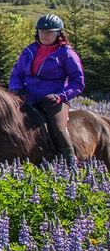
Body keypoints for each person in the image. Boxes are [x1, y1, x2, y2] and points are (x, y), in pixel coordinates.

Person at [8, 14, 85, 163]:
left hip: (54, 100)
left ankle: (70, 161)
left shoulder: (67, 54)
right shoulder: (29, 51)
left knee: (58, 128)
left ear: (58, 33)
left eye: (49, 32)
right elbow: (16, 73)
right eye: (41, 31)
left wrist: (61, 96)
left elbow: (78, 82)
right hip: (27, 98)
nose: (44, 34)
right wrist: (16, 88)